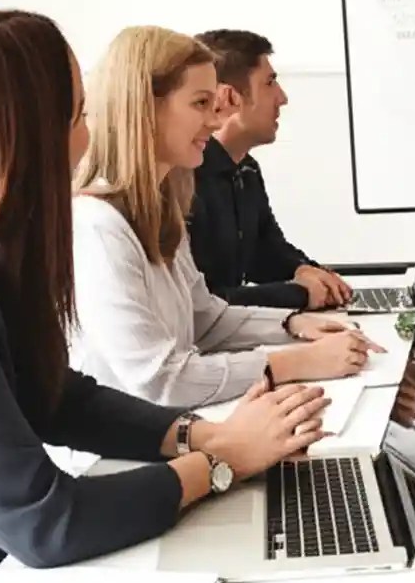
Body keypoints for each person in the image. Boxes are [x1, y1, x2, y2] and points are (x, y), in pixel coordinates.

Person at [0, 10, 332, 583]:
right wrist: (220, 461)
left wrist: (203, 434)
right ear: (21, 138)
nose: (87, 134)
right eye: (78, 115)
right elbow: (46, 522)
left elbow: (55, 395)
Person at [70, 26, 383, 409]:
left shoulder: (160, 207)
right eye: (200, 104)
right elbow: (160, 381)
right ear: (146, 108)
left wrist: (293, 326)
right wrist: (296, 362)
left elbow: (206, 319)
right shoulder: (97, 227)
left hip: (174, 429)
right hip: (112, 460)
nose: (216, 121)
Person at [188, 29, 352, 311]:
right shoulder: (186, 183)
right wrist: (298, 295)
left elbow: (265, 251)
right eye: (270, 82)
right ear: (228, 98)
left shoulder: (247, 171)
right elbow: (205, 305)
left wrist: (303, 270)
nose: (282, 97)